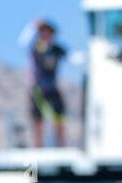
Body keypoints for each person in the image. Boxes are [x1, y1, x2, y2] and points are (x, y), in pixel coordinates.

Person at [29, 20, 67, 148]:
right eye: (43, 31)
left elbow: (68, 54)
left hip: (52, 87)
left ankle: (61, 145)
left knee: (59, 116)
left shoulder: (56, 49)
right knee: (38, 119)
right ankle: (38, 146)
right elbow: (23, 42)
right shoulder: (36, 47)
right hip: (38, 88)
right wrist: (32, 26)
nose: (46, 34)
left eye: (48, 32)